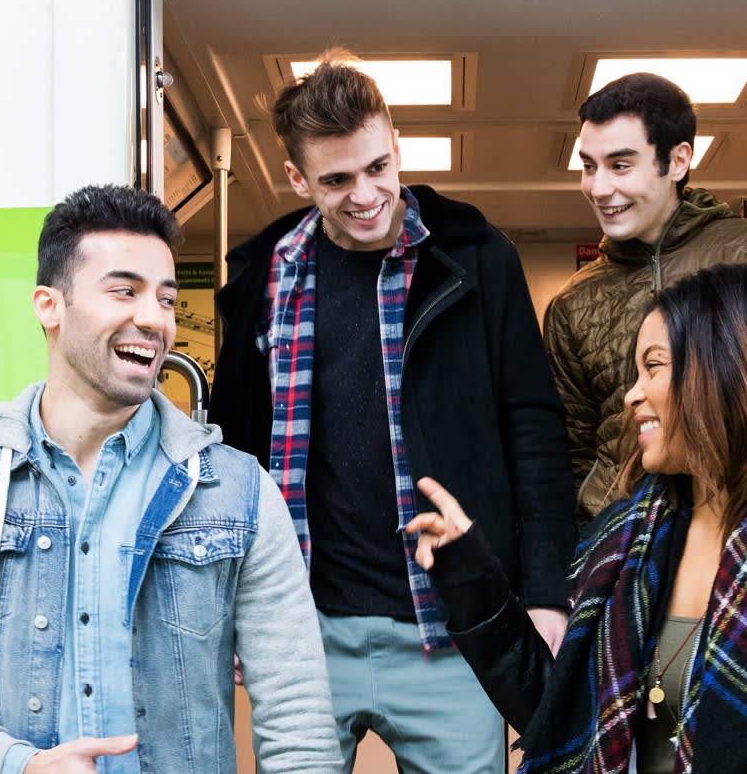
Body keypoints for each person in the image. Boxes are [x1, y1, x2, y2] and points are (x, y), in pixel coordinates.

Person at [0, 185, 339, 774]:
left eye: (166, 300)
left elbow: (296, 709)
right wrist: (18, 765)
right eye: (125, 291)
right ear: (50, 305)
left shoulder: (239, 492)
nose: (153, 319)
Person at [409, 263, 747, 773]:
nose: (631, 394)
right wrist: (471, 577)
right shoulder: (628, 537)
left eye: (653, 367)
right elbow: (558, 717)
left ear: (728, 367)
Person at [215, 53, 576, 772]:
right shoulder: (261, 276)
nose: (365, 194)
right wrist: (229, 607)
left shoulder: (475, 258)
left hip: (452, 631)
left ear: (395, 144)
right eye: (337, 179)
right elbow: (231, 458)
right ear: (296, 179)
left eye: (378, 167)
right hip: (305, 636)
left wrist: (543, 597)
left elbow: (533, 431)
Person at [543, 72, 747, 521]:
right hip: (628, 543)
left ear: (677, 160)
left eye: (620, 165)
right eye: (589, 166)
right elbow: (573, 455)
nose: (597, 187)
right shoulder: (572, 303)